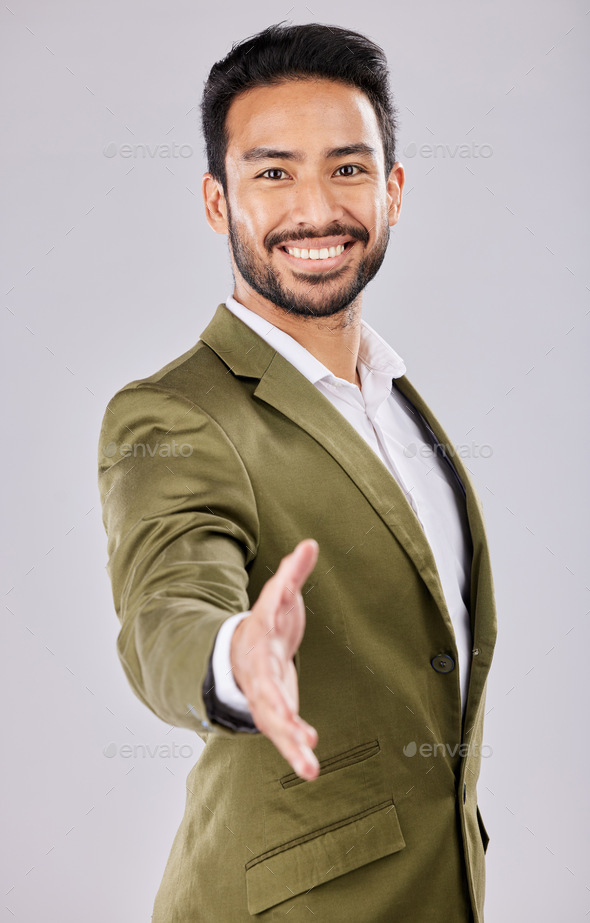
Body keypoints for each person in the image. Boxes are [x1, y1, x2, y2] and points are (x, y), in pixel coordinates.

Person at [98, 21, 497, 922]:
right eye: (272, 172)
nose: (316, 209)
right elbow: (167, 600)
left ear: (393, 189)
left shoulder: (396, 401)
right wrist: (235, 656)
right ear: (216, 201)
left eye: (347, 169)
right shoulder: (177, 413)